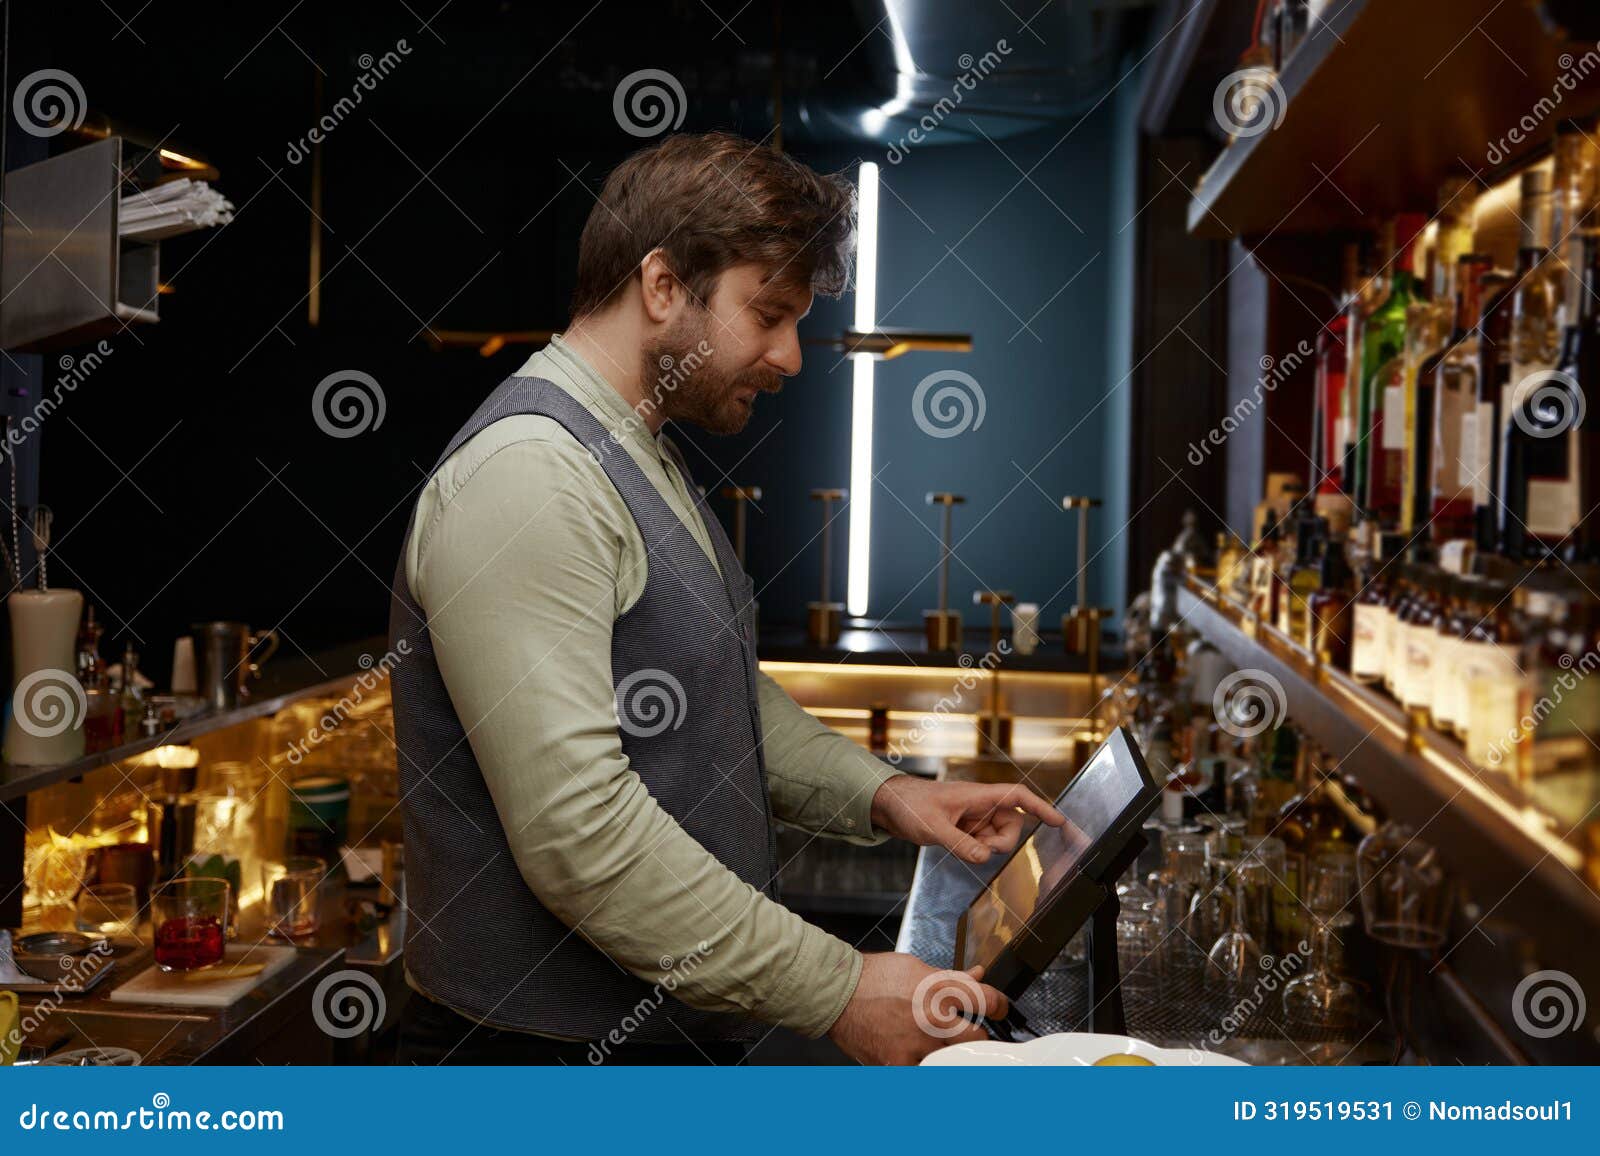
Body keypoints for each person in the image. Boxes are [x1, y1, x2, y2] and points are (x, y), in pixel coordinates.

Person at [388, 131, 1063, 1066]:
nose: (791, 356)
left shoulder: (636, 453)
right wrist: (840, 988)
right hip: (529, 1059)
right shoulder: (532, 476)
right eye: (769, 314)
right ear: (664, 285)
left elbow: (716, 694)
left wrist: (891, 795)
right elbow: (581, 838)